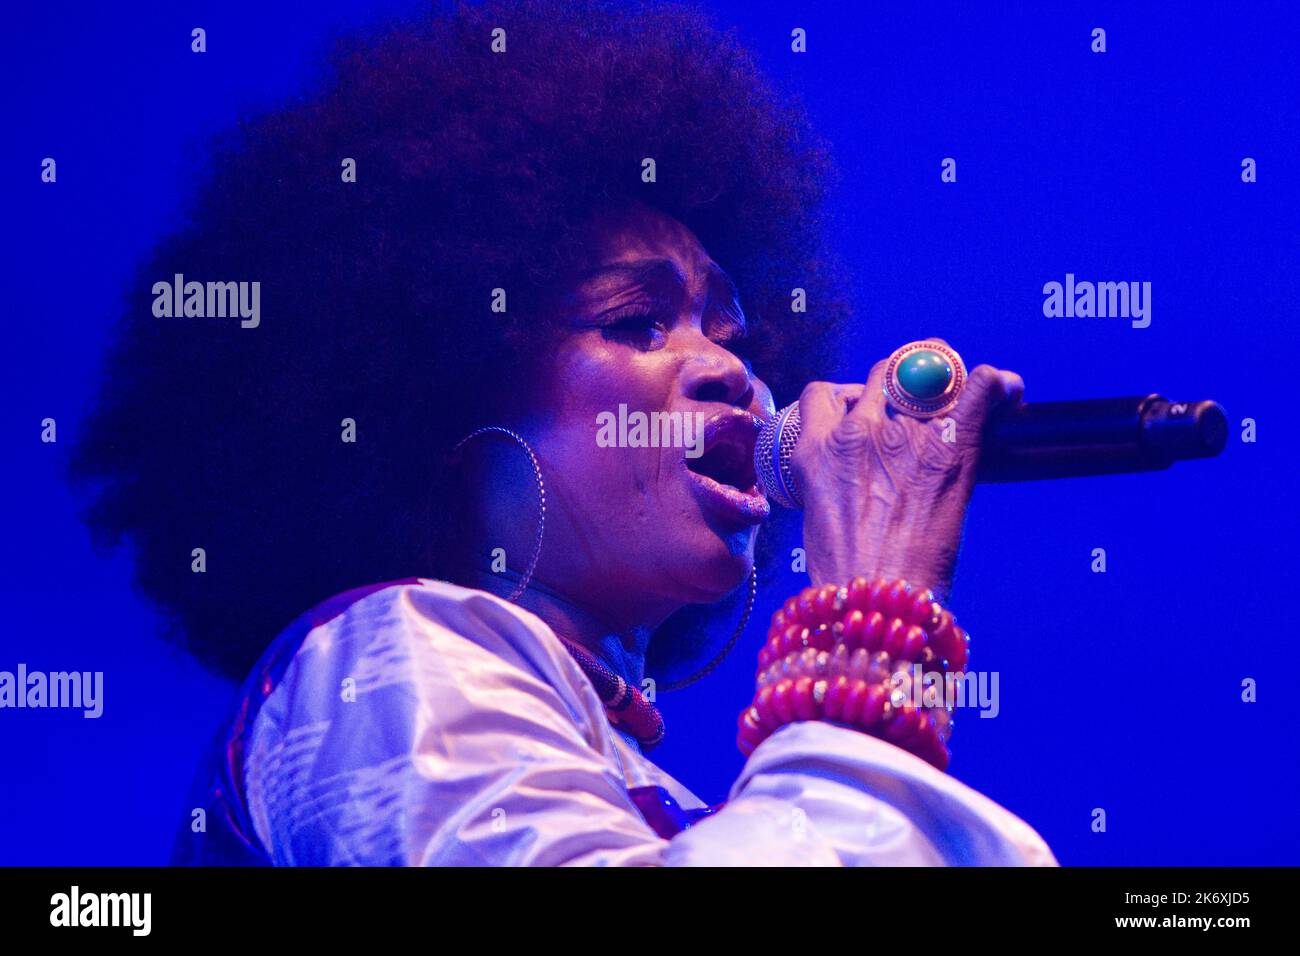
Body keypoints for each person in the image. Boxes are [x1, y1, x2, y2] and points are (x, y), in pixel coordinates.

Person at [72, 0, 1054, 866]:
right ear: (446, 386)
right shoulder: (384, 658)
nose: (735, 374)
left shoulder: (656, 792)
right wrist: (868, 623)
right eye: (634, 321)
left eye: (735, 337)